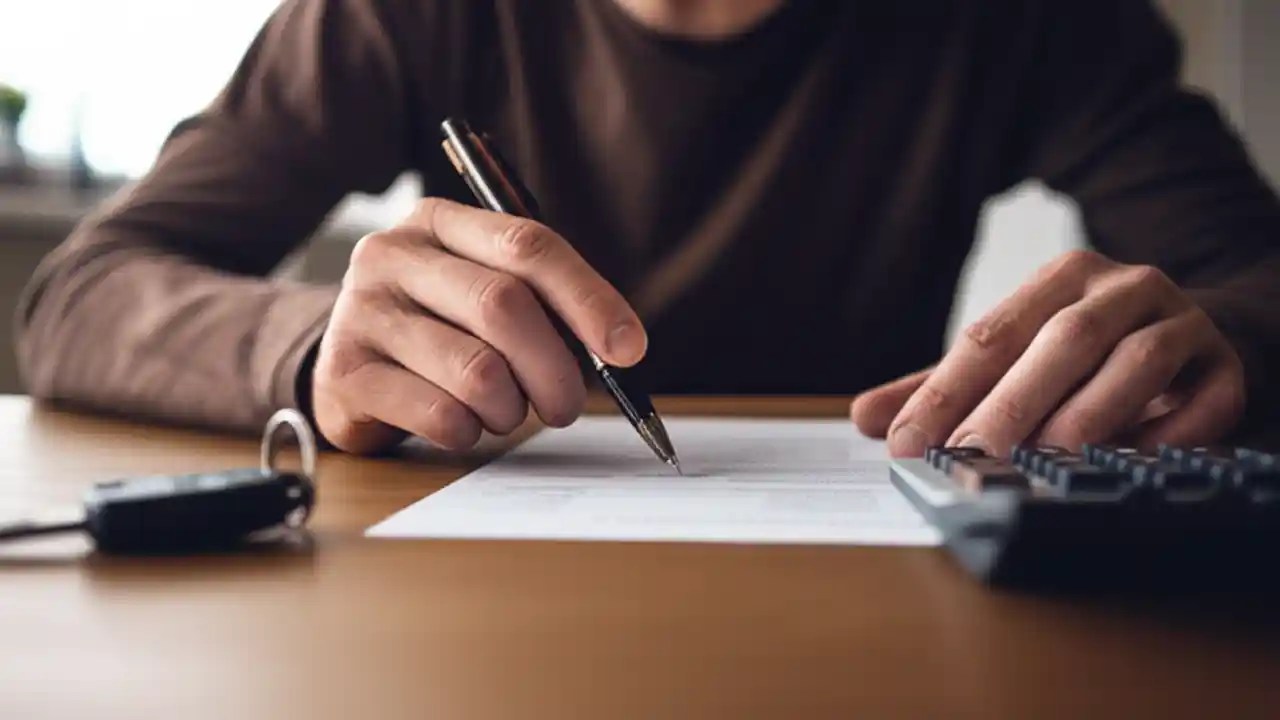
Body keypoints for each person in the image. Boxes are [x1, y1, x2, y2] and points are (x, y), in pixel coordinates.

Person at [16, 0, 1280, 457]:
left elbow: (1253, 275)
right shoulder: (397, 12)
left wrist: (1214, 337)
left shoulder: (1032, 20)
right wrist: (315, 352)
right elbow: (76, 296)